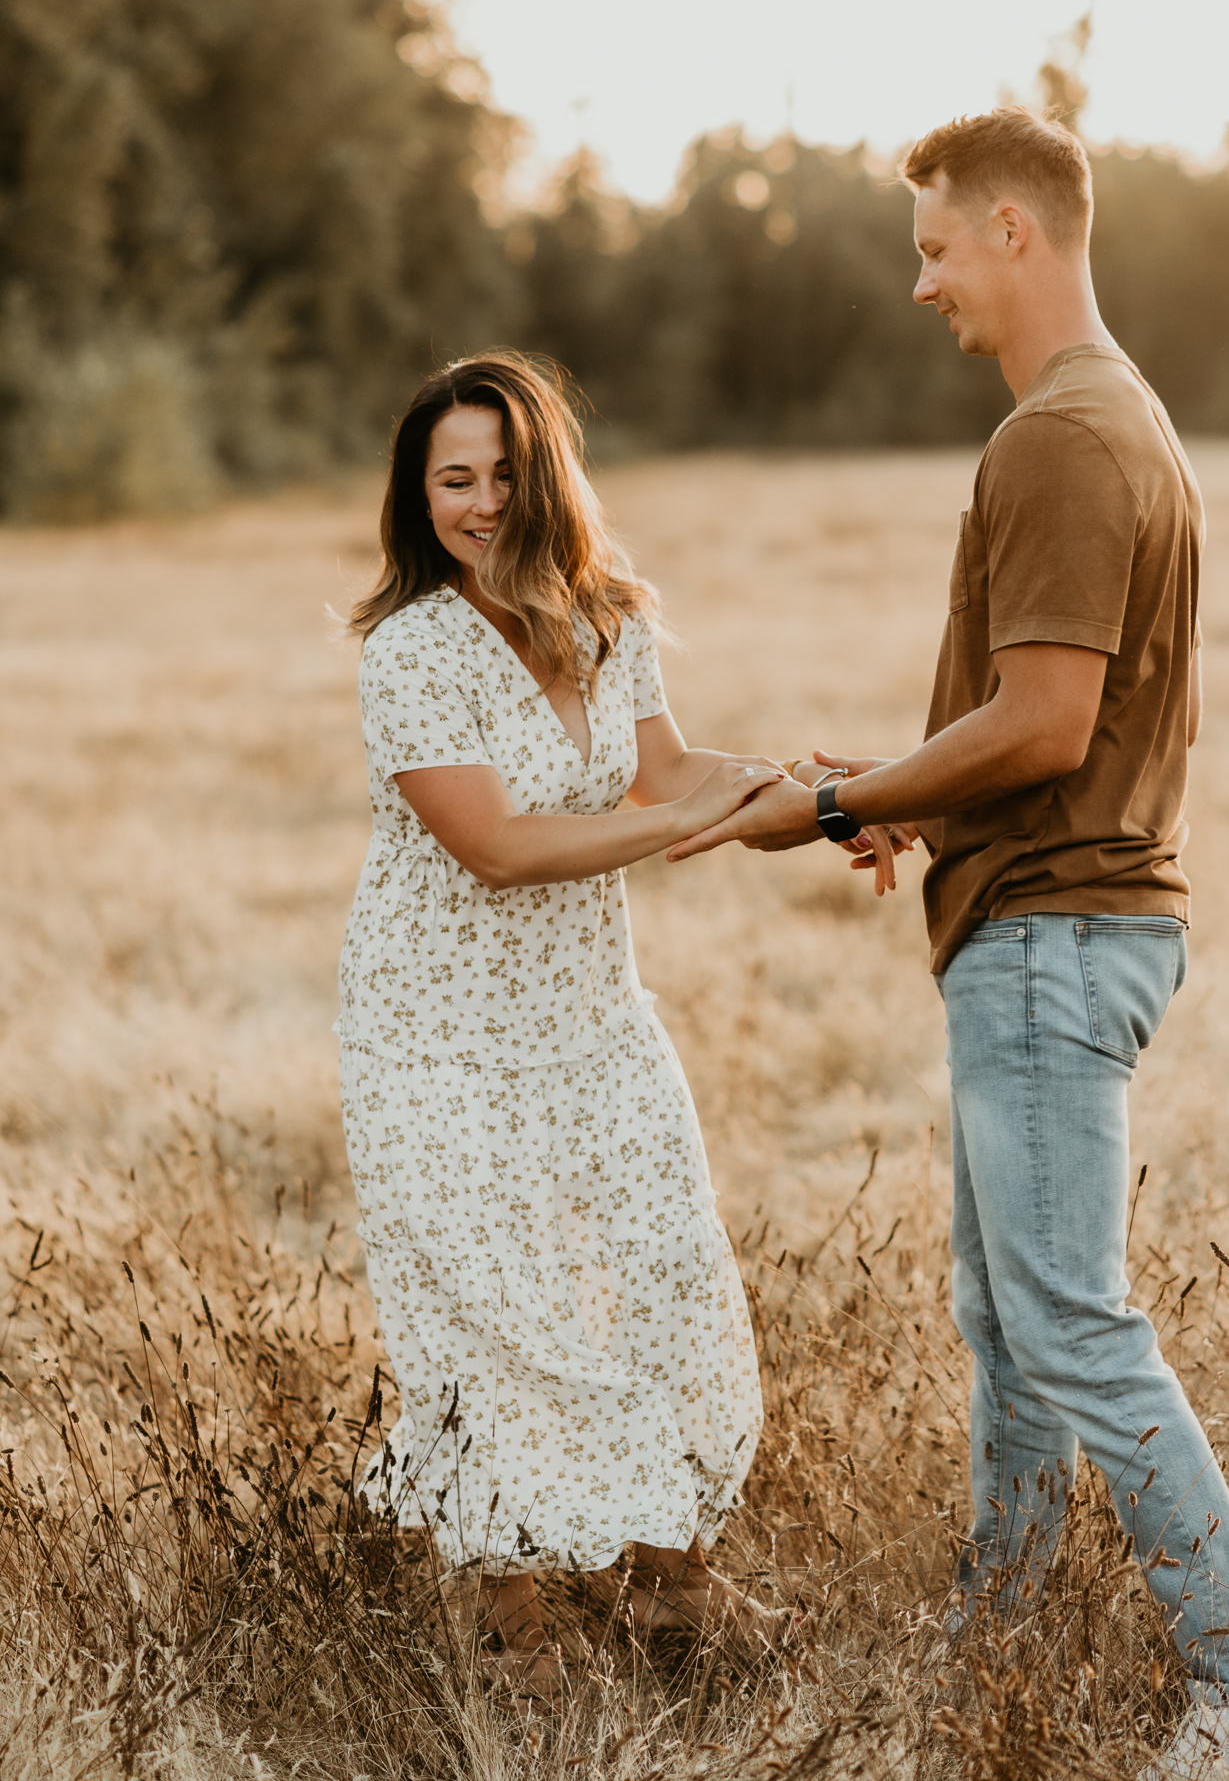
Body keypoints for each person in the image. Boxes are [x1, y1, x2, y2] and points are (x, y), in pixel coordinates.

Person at [669, 109, 1229, 1778]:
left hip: (1052, 937)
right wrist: (904, 800)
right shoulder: (1119, 416)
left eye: (937, 246)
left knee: (1069, 1321)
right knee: (1010, 1318)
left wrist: (834, 801)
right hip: (1060, 918)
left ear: (1017, 229)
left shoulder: (1061, 437)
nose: (921, 282)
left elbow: (1045, 724)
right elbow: (1061, 728)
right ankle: (995, 1639)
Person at [337, 352, 795, 1703]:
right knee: (495, 1312)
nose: (479, 504)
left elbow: (673, 771)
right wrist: (685, 824)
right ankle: (514, 1638)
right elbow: (496, 845)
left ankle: (672, 1585)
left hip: (592, 1018)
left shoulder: (607, 619)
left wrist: (827, 794)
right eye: (451, 480)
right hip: (436, 1035)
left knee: (665, 1273)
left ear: (548, 477)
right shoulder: (410, 652)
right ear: (418, 498)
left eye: (500, 473)